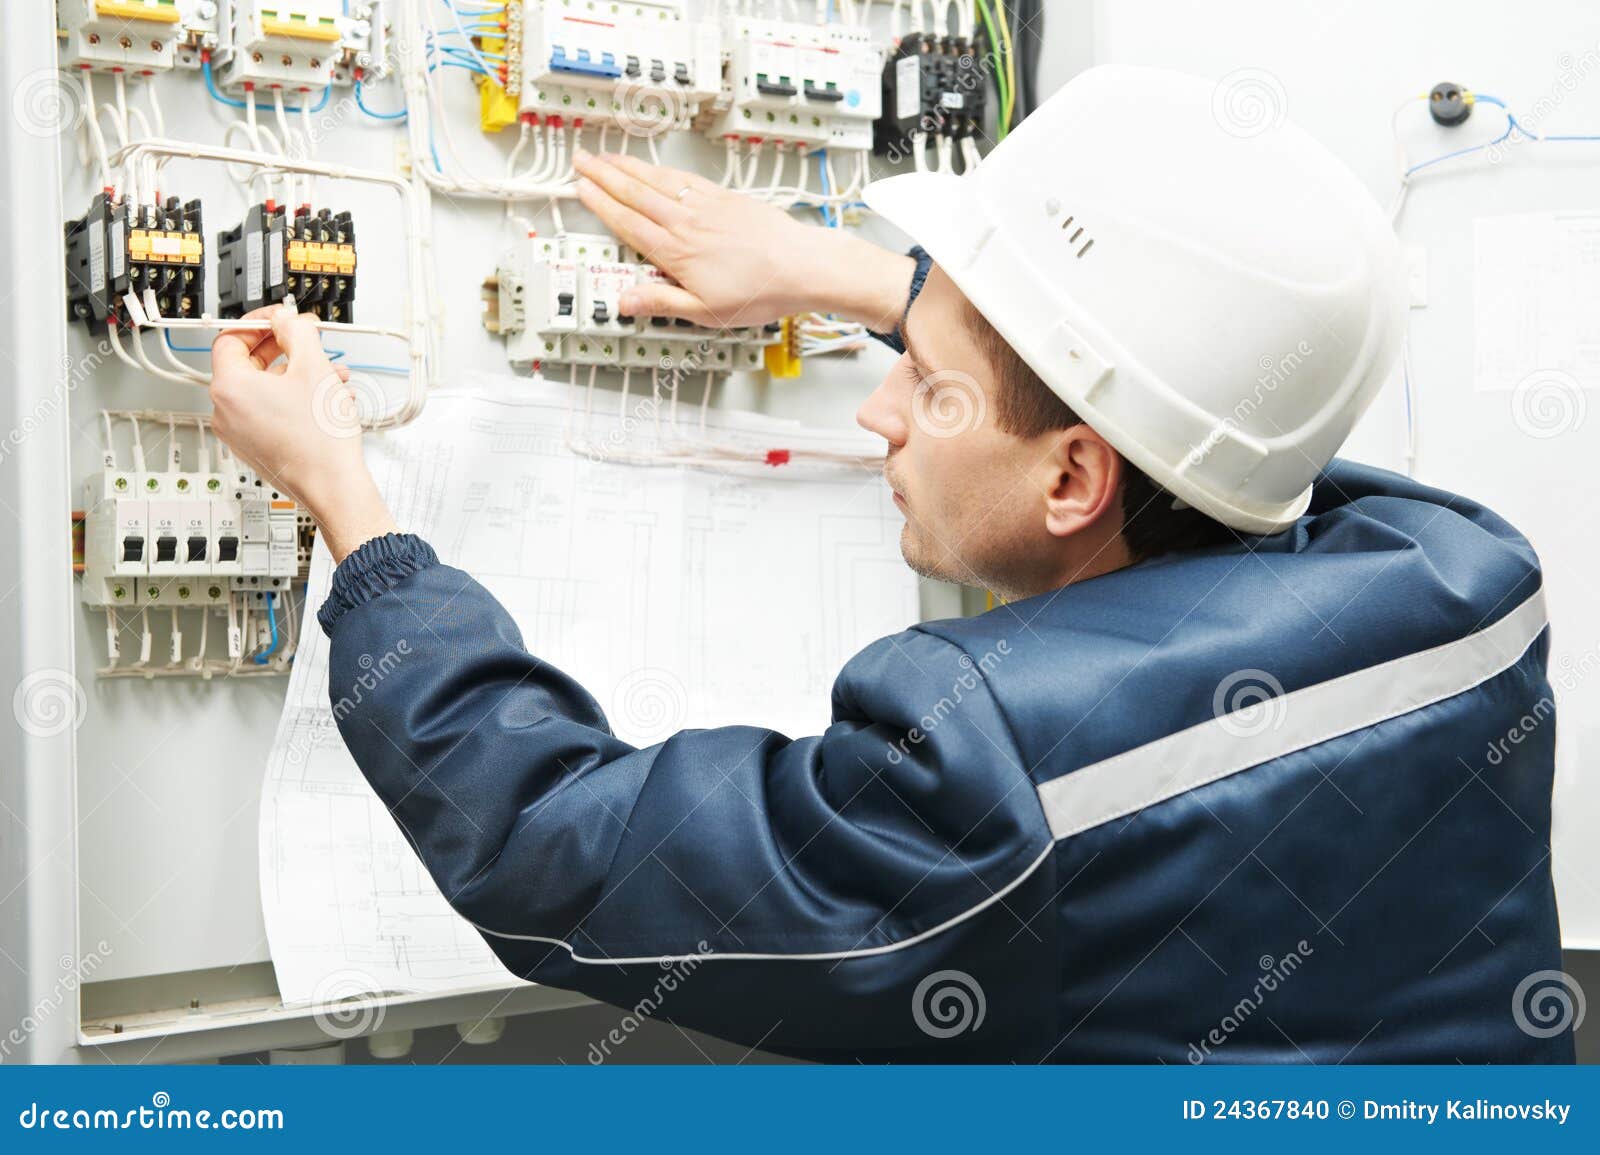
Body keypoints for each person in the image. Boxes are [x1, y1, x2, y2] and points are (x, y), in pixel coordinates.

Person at [208, 66, 1570, 1063]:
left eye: (926, 383)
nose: (876, 411)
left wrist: (349, 499)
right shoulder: (1463, 579)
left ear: (1074, 479)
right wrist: (846, 277)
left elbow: (551, 844)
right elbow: (1216, 419)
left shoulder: (1004, 771)